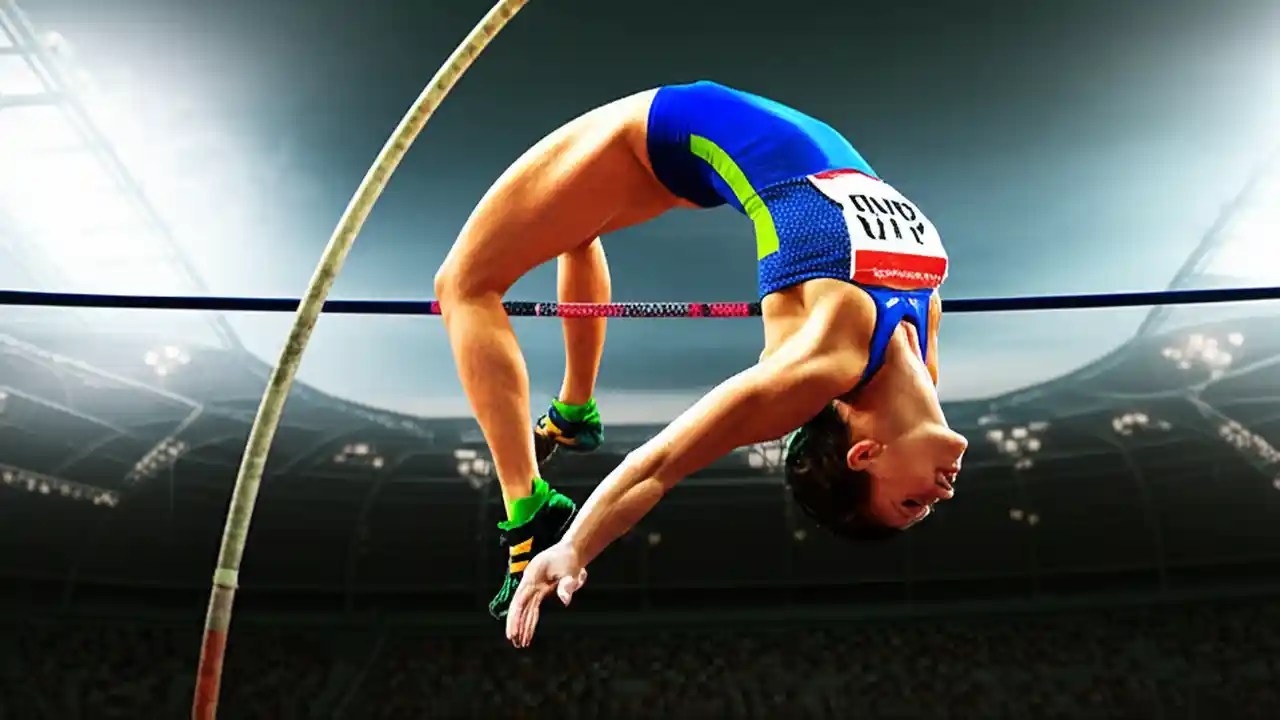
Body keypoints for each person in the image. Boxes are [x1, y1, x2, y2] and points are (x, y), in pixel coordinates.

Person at [433, 80, 969, 626]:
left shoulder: (817, 364)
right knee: (569, 226)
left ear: (865, 456)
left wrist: (575, 547)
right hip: (709, 157)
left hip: (661, 132)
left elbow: (658, 466)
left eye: (912, 504)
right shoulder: (919, 351)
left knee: (462, 285)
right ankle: (574, 411)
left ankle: (528, 510)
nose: (940, 497)